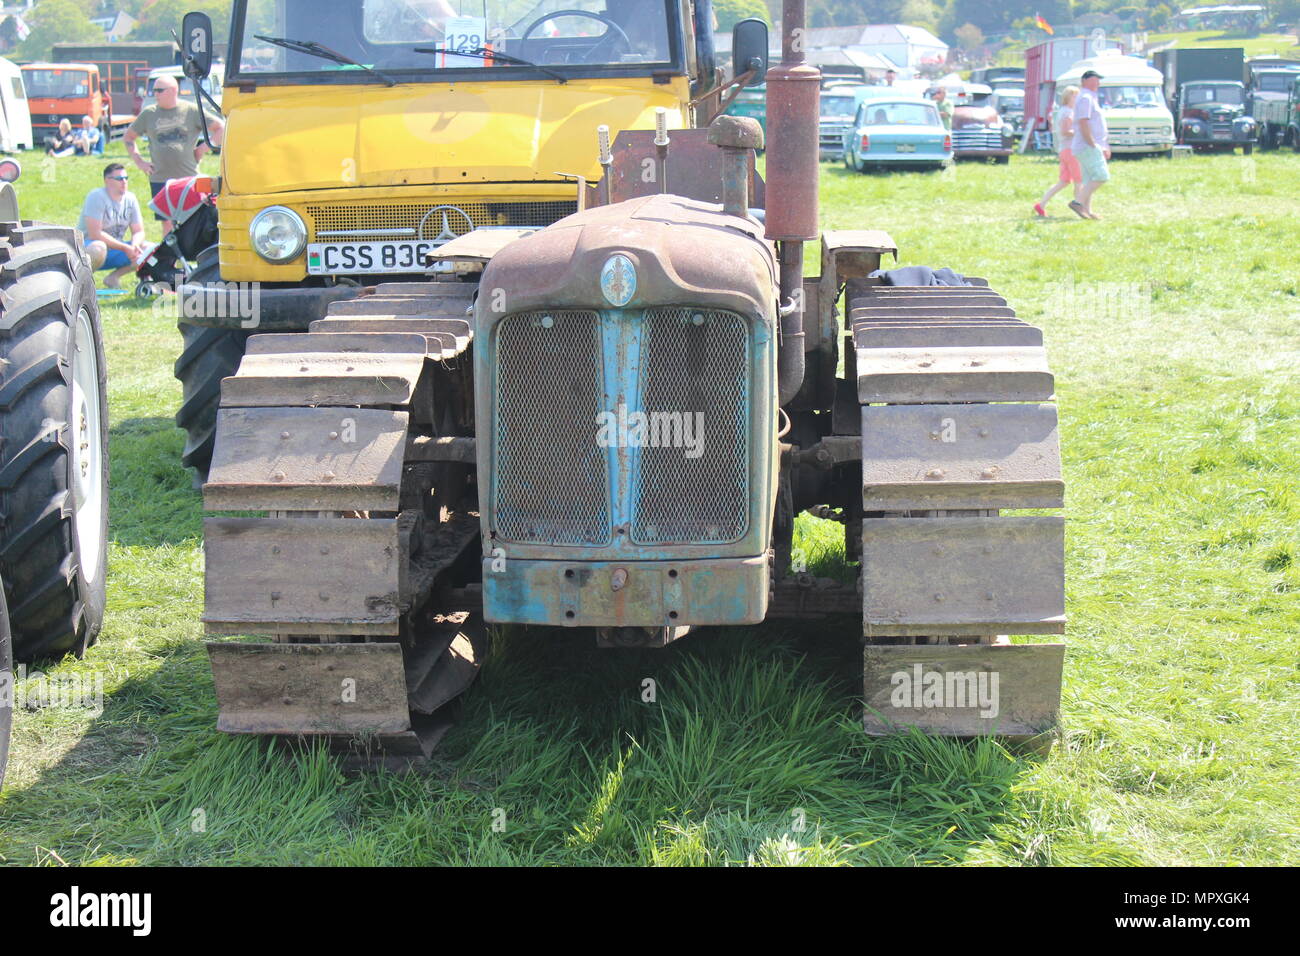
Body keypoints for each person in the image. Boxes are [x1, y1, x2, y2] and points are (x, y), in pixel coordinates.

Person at [125, 75, 224, 236]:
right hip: (160, 178)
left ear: (173, 91)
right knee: (167, 223)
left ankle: (192, 253)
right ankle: (172, 257)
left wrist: (202, 149)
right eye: (153, 90)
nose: (155, 94)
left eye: (159, 90)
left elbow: (220, 128)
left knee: (195, 218)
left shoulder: (191, 110)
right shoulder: (149, 114)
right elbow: (129, 137)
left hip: (189, 177)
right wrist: (139, 162)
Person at [79, 163, 148, 289]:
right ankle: (84, 286)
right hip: (88, 249)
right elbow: (95, 234)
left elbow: (139, 231)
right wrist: (125, 248)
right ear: (107, 181)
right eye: (119, 179)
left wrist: (134, 246)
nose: (124, 182)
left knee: (149, 249)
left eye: (126, 178)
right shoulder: (96, 197)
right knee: (99, 247)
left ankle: (113, 278)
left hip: (116, 250)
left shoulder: (130, 199)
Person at [1034, 86, 1081, 217]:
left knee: (1064, 181)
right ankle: (1080, 207)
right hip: (1071, 149)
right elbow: (1066, 131)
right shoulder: (1068, 113)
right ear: (1068, 97)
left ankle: (1041, 204)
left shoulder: (1062, 111)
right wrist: (1080, 132)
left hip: (1063, 149)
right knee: (1079, 180)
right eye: (1075, 96)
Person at [1070, 70, 1110, 220]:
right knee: (1101, 175)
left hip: (1091, 144)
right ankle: (1078, 202)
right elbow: (1083, 121)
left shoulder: (1090, 97)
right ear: (1084, 81)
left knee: (1088, 179)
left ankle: (1087, 210)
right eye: (1094, 80)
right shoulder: (1086, 97)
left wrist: (1104, 144)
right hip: (1087, 144)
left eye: (1099, 80)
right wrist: (1092, 143)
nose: (1097, 83)